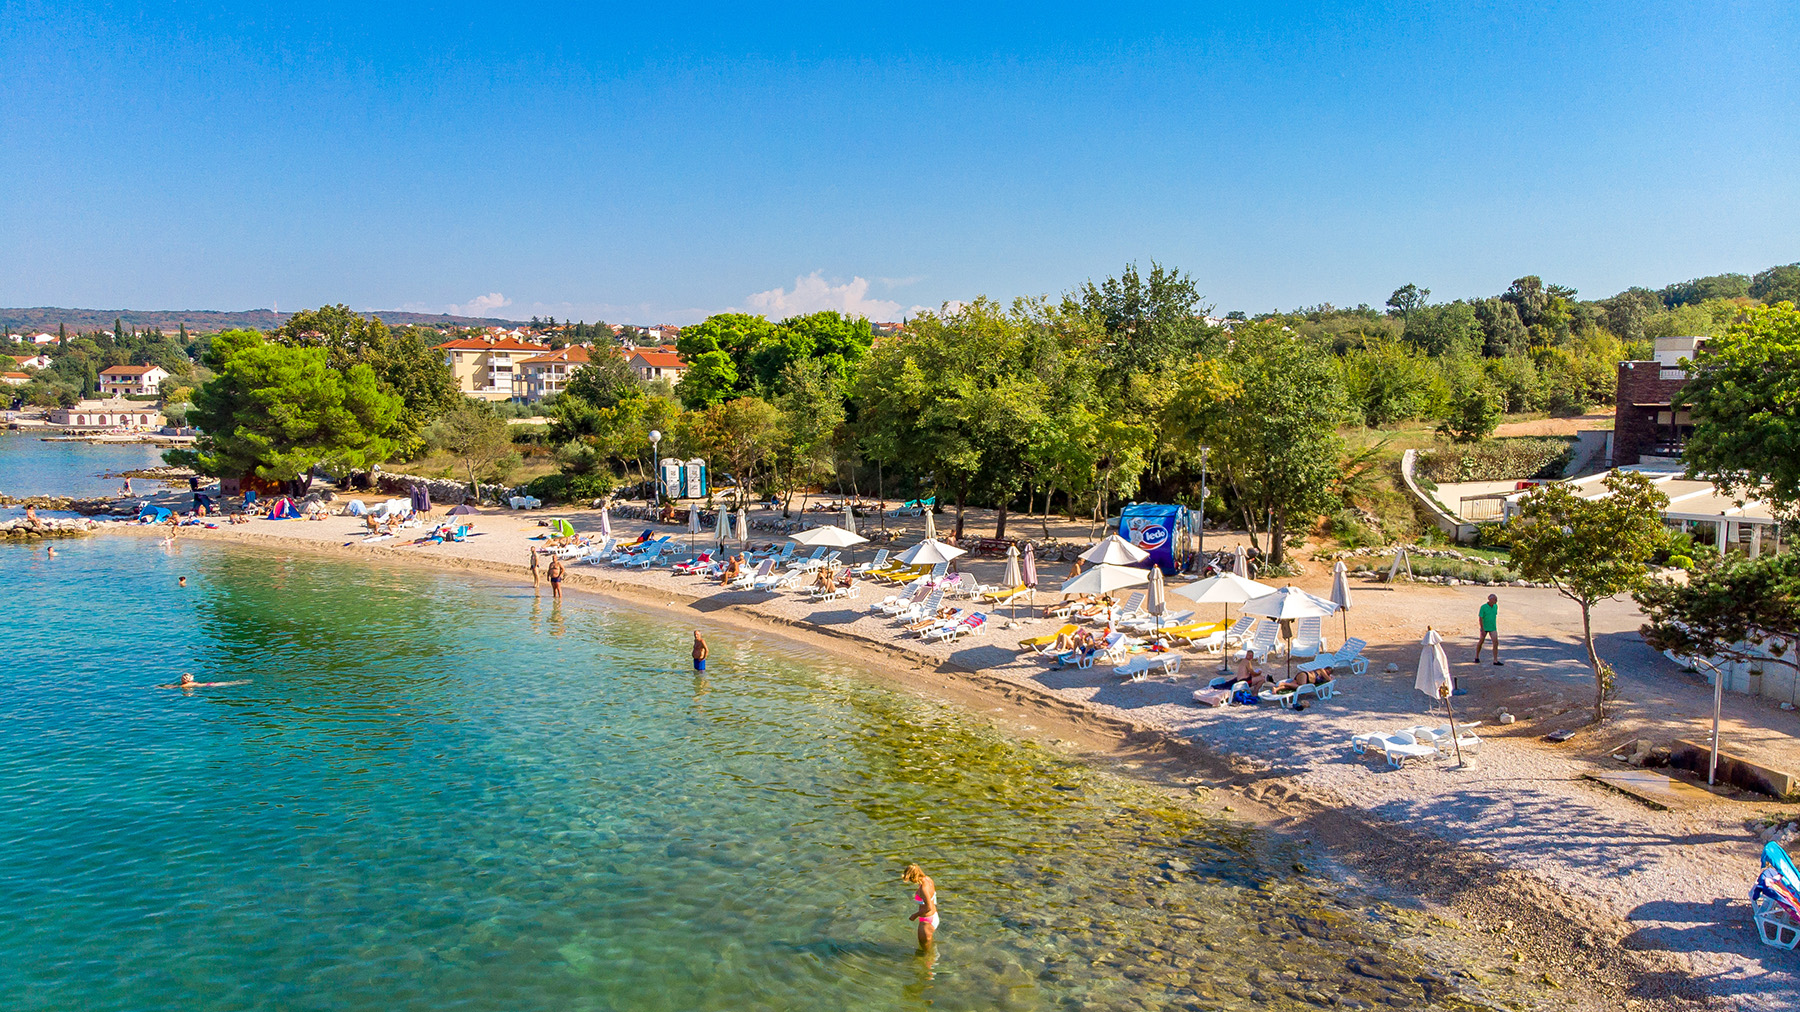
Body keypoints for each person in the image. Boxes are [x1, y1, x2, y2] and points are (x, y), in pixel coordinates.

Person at [902, 864, 938, 948]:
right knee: (929, 946)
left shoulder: (923, 888)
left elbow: (928, 907)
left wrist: (915, 915)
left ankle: (927, 961)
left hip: (926, 921)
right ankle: (933, 959)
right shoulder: (928, 879)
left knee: (924, 950)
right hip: (934, 917)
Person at [1473, 593, 1502, 668]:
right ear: (1490, 600)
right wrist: (1482, 628)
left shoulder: (1495, 606)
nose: (1496, 601)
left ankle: (1495, 660)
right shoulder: (1483, 607)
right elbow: (1480, 618)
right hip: (1485, 627)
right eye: (1495, 599)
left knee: (1495, 642)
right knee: (1481, 641)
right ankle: (1476, 656)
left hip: (1492, 627)